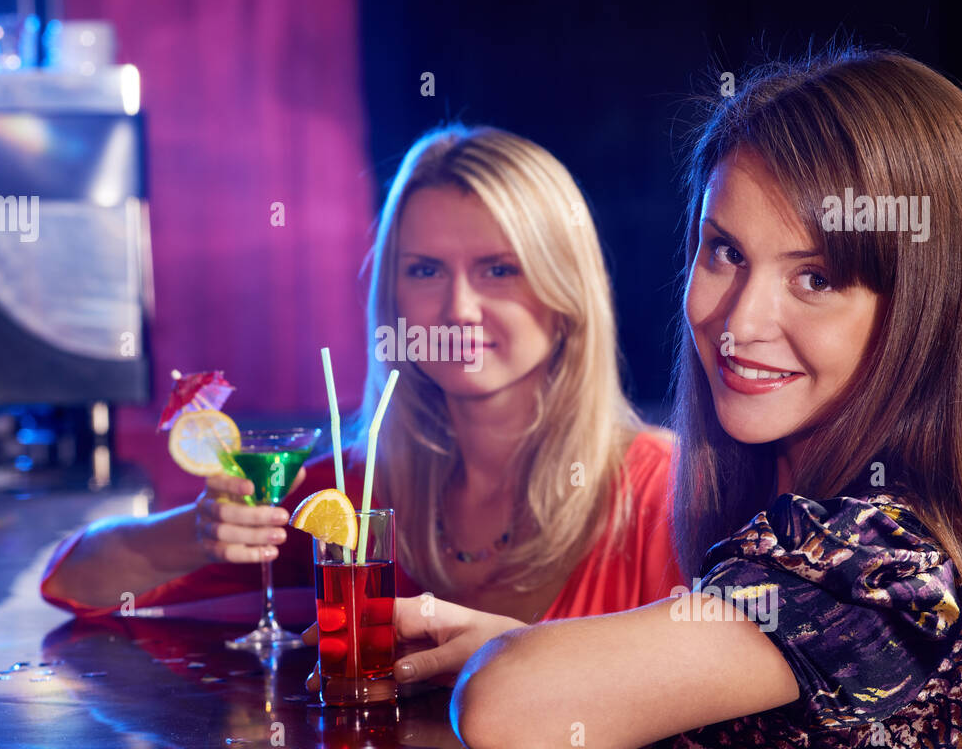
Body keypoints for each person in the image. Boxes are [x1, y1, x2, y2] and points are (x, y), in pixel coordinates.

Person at [437, 49, 962, 749]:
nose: (740, 321)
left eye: (815, 278)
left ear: (931, 315)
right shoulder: (879, 524)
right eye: (726, 252)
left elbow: (502, 703)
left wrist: (519, 659)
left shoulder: (886, 564)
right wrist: (536, 646)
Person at [41, 125, 683, 685]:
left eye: (499, 269)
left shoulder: (666, 492)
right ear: (393, 300)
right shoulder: (351, 492)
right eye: (426, 271)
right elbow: (74, 580)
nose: (458, 309)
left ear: (567, 295)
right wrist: (202, 531)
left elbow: (736, 710)